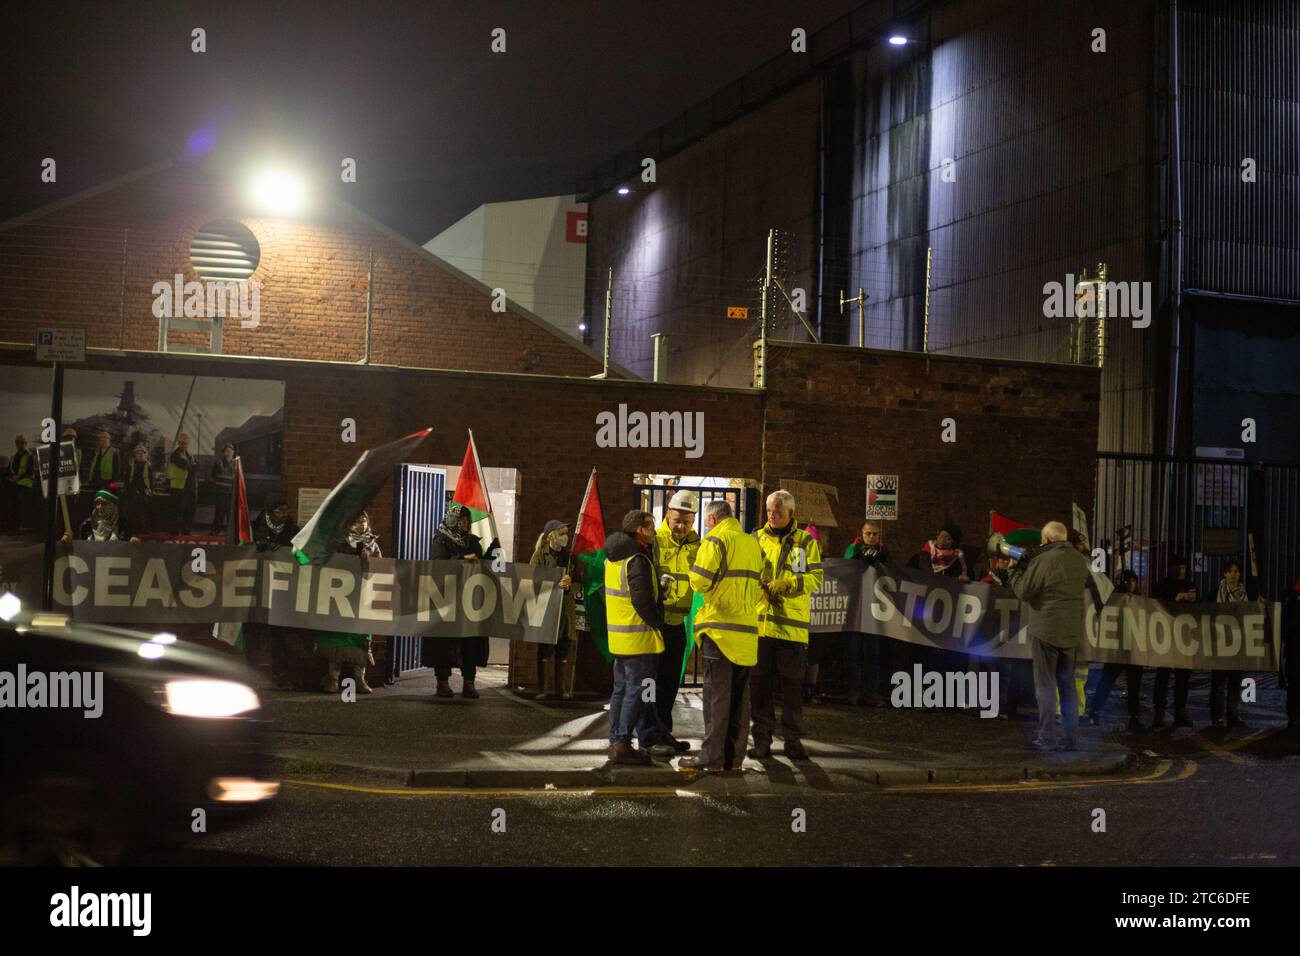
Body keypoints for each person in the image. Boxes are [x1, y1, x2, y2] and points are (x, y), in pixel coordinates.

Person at [680, 500, 762, 773]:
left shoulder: (715, 541)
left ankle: (711, 758)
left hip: (719, 631)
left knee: (717, 698)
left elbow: (700, 582)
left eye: (706, 521)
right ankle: (733, 761)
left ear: (714, 519)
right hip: (747, 633)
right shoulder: (752, 543)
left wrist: (693, 569)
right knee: (740, 700)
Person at [749, 489, 824, 762]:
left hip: (791, 630)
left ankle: (793, 742)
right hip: (761, 628)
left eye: (778, 511)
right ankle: (761, 741)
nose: (772, 515)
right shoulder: (755, 539)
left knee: (792, 691)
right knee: (759, 690)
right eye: (769, 510)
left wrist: (788, 584)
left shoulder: (805, 542)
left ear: (791, 513)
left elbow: (814, 578)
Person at [1006, 521, 1090, 751]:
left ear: (1048, 540)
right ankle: (1071, 739)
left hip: (1046, 629)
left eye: (1043, 540)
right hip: (1071, 632)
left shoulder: (1044, 560)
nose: (1041, 544)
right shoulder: (1079, 560)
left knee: (1045, 685)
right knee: (1068, 686)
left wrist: (1014, 569)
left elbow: (1025, 591)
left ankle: (1046, 736)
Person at [636, 489, 700, 755]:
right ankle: (648, 735)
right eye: (678, 521)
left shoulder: (698, 546)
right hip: (655, 625)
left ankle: (664, 732)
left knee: (671, 683)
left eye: (687, 521)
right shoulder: (656, 541)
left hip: (678, 625)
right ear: (668, 516)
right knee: (649, 683)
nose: (682, 526)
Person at [603, 509, 668, 765]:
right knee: (636, 692)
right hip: (638, 637)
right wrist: (658, 622)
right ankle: (622, 743)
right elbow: (641, 600)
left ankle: (615, 740)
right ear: (640, 529)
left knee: (620, 689)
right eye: (651, 527)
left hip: (619, 637)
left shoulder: (613, 556)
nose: (654, 531)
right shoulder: (637, 558)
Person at [425, 503, 489, 699]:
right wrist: (462, 559)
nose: (466, 524)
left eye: (468, 520)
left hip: (470, 601)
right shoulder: (441, 541)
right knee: (443, 643)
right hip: (445, 600)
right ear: (452, 520)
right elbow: (438, 565)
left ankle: (469, 682)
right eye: (462, 520)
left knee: (470, 641)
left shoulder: (473, 541)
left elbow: (483, 567)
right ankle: (442, 682)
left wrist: (491, 555)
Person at [311, 512, 379, 695]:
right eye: (357, 521)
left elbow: (380, 570)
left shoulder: (373, 544)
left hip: (361, 599)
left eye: (364, 521)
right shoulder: (339, 543)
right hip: (340, 599)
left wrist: (368, 562)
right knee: (337, 639)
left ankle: (360, 679)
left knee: (361, 639)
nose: (361, 524)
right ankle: (333, 679)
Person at [247, 495, 300, 690]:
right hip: (256, 590)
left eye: (286, 511)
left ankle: (280, 675)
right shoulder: (256, 528)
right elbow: (240, 550)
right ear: (270, 512)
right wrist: (258, 547)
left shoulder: (293, 531)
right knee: (253, 633)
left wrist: (289, 550)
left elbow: (302, 558)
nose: (284, 515)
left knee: (279, 637)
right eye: (279, 511)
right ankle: (251, 673)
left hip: (280, 592)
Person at [1086, 569, 1145, 731]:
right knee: (1107, 680)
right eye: (1128, 581)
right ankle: (1094, 712)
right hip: (1118, 649)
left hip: (1133, 649)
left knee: (1134, 686)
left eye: (1133, 581)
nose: (1131, 584)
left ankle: (1134, 717)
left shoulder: (1140, 600)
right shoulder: (1114, 598)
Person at [529, 519, 578, 701]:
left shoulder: (570, 557)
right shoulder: (540, 555)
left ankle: (561, 689)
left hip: (565, 610)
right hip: (546, 609)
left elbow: (580, 583)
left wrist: (570, 584)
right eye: (562, 533)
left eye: (567, 533)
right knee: (545, 649)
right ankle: (542, 689)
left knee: (563, 648)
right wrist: (552, 583)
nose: (566, 537)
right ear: (551, 536)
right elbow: (531, 579)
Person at [981, 553, 1033, 719]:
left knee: (1010, 671)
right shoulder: (988, 578)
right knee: (990, 668)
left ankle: (1007, 707)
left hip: (1014, 633)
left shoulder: (1021, 581)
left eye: (1009, 560)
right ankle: (989, 703)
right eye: (1002, 560)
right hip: (993, 632)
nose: (1006, 563)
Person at [844, 520, 889, 706]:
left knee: (873, 654)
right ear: (861, 533)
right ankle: (853, 691)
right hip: (855, 610)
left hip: (875, 611)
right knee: (853, 653)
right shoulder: (853, 549)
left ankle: (871, 692)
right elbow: (846, 562)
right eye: (868, 533)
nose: (871, 537)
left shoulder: (884, 553)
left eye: (874, 534)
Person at [1151, 555, 1197, 729]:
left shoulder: (1190, 585)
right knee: (1162, 677)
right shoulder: (1162, 586)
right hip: (1165, 638)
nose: (1180, 570)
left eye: (1183, 567)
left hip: (1184, 639)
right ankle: (1159, 712)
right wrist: (1177, 597)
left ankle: (1180, 712)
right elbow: (1155, 602)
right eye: (1177, 566)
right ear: (1170, 568)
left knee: (1183, 678)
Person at [1210, 559, 1255, 729]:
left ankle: (1232, 714)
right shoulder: (1215, 593)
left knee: (1235, 681)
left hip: (1238, 643)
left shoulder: (1245, 593)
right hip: (1220, 643)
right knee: (1219, 682)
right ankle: (1217, 716)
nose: (1234, 574)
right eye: (1231, 571)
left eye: (1237, 571)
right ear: (1225, 574)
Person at [62, 488, 138, 542]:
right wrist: (69, 541)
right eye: (97, 503)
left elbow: (129, 550)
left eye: (104, 504)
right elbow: (79, 548)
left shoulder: (122, 524)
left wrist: (134, 543)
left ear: (113, 506)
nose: (99, 507)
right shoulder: (87, 524)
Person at [120, 443, 155, 537]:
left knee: (144, 512)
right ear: (134, 454)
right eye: (138, 453)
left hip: (144, 491)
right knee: (132, 511)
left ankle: (144, 529)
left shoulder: (148, 465)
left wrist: (151, 490)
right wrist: (126, 489)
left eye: (142, 453)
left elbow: (151, 479)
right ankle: (132, 530)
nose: (140, 454)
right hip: (132, 490)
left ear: (145, 454)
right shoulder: (131, 465)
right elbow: (127, 478)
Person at [3, 434, 36, 533]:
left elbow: (29, 471)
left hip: (25, 482)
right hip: (15, 482)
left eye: (22, 443)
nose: (20, 445)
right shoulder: (13, 457)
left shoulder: (30, 456)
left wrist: (16, 478)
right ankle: (9, 525)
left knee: (15, 501)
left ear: (25, 444)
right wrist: (9, 478)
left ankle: (15, 527)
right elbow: (9, 470)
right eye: (18, 443)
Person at [168, 433, 199, 534]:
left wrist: (193, 465)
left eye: (185, 443)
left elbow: (197, 465)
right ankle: (174, 531)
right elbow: (187, 465)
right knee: (178, 510)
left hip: (190, 486)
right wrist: (193, 465)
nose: (183, 445)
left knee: (190, 509)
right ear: (178, 443)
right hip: (179, 486)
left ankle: (186, 530)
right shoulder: (175, 455)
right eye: (182, 443)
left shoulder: (188, 455)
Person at [1282, 565, 1300, 735]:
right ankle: (1293, 717)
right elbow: (1284, 622)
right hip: (1294, 648)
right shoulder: (1290, 595)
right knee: (1294, 684)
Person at [210, 443, 236, 532]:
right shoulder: (219, 462)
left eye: (231, 451)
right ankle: (215, 531)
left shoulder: (236, 463)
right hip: (221, 493)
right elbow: (213, 476)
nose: (229, 453)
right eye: (227, 451)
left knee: (231, 514)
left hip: (231, 493)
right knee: (219, 513)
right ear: (224, 452)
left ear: (233, 452)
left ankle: (230, 533)